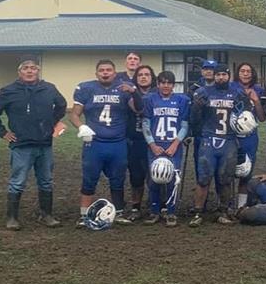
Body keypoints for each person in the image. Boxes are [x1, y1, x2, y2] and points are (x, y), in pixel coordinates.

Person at [0, 56, 67, 230]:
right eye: (25, 68)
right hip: (21, 145)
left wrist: (51, 122)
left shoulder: (49, 88)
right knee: (18, 181)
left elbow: (62, 105)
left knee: (46, 181)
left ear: (38, 71)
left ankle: (46, 215)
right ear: (19, 72)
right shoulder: (9, 91)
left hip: (45, 144)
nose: (30, 71)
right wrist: (2, 132)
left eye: (33, 68)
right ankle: (12, 218)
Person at [70, 59, 144, 227]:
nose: (105, 72)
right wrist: (82, 127)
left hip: (117, 143)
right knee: (89, 178)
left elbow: (139, 109)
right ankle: (84, 215)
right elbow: (74, 115)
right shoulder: (86, 88)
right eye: (102, 70)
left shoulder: (123, 88)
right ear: (96, 73)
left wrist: (134, 92)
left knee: (117, 179)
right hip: (94, 142)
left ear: (114, 72)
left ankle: (118, 213)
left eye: (108, 70)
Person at [188, 63, 250, 227]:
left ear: (229, 76)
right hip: (209, 139)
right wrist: (197, 107)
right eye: (218, 75)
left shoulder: (236, 93)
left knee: (225, 178)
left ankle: (223, 210)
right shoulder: (203, 92)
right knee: (203, 178)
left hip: (229, 140)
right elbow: (194, 120)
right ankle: (198, 211)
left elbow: (245, 115)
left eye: (224, 74)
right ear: (213, 76)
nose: (221, 77)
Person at [141, 71, 190, 227]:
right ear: (158, 84)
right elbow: (146, 124)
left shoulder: (181, 100)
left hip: (173, 146)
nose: (166, 86)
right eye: (162, 82)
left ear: (173, 85)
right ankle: (154, 211)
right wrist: (152, 145)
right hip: (155, 145)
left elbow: (184, 125)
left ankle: (170, 212)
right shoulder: (150, 100)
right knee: (154, 179)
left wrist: (175, 144)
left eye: (169, 83)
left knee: (172, 180)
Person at [231, 62, 266, 208]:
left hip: (250, 137)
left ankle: (241, 206)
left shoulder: (258, 89)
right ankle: (226, 204)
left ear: (252, 74)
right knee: (228, 171)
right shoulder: (230, 88)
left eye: (248, 71)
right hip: (231, 136)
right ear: (238, 73)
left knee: (246, 172)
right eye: (242, 71)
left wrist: (256, 100)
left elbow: (262, 117)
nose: (245, 74)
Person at [125, 64, 157, 221]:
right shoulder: (129, 94)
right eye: (140, 75)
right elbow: (139, 109)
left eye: (147, 74)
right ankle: (136, 207)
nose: (143, 77)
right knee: (136, 177)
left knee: (155, 176)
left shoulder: (158, 94)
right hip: (136, 139)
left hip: (155, 141)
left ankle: (156, 205)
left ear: (152, 78)